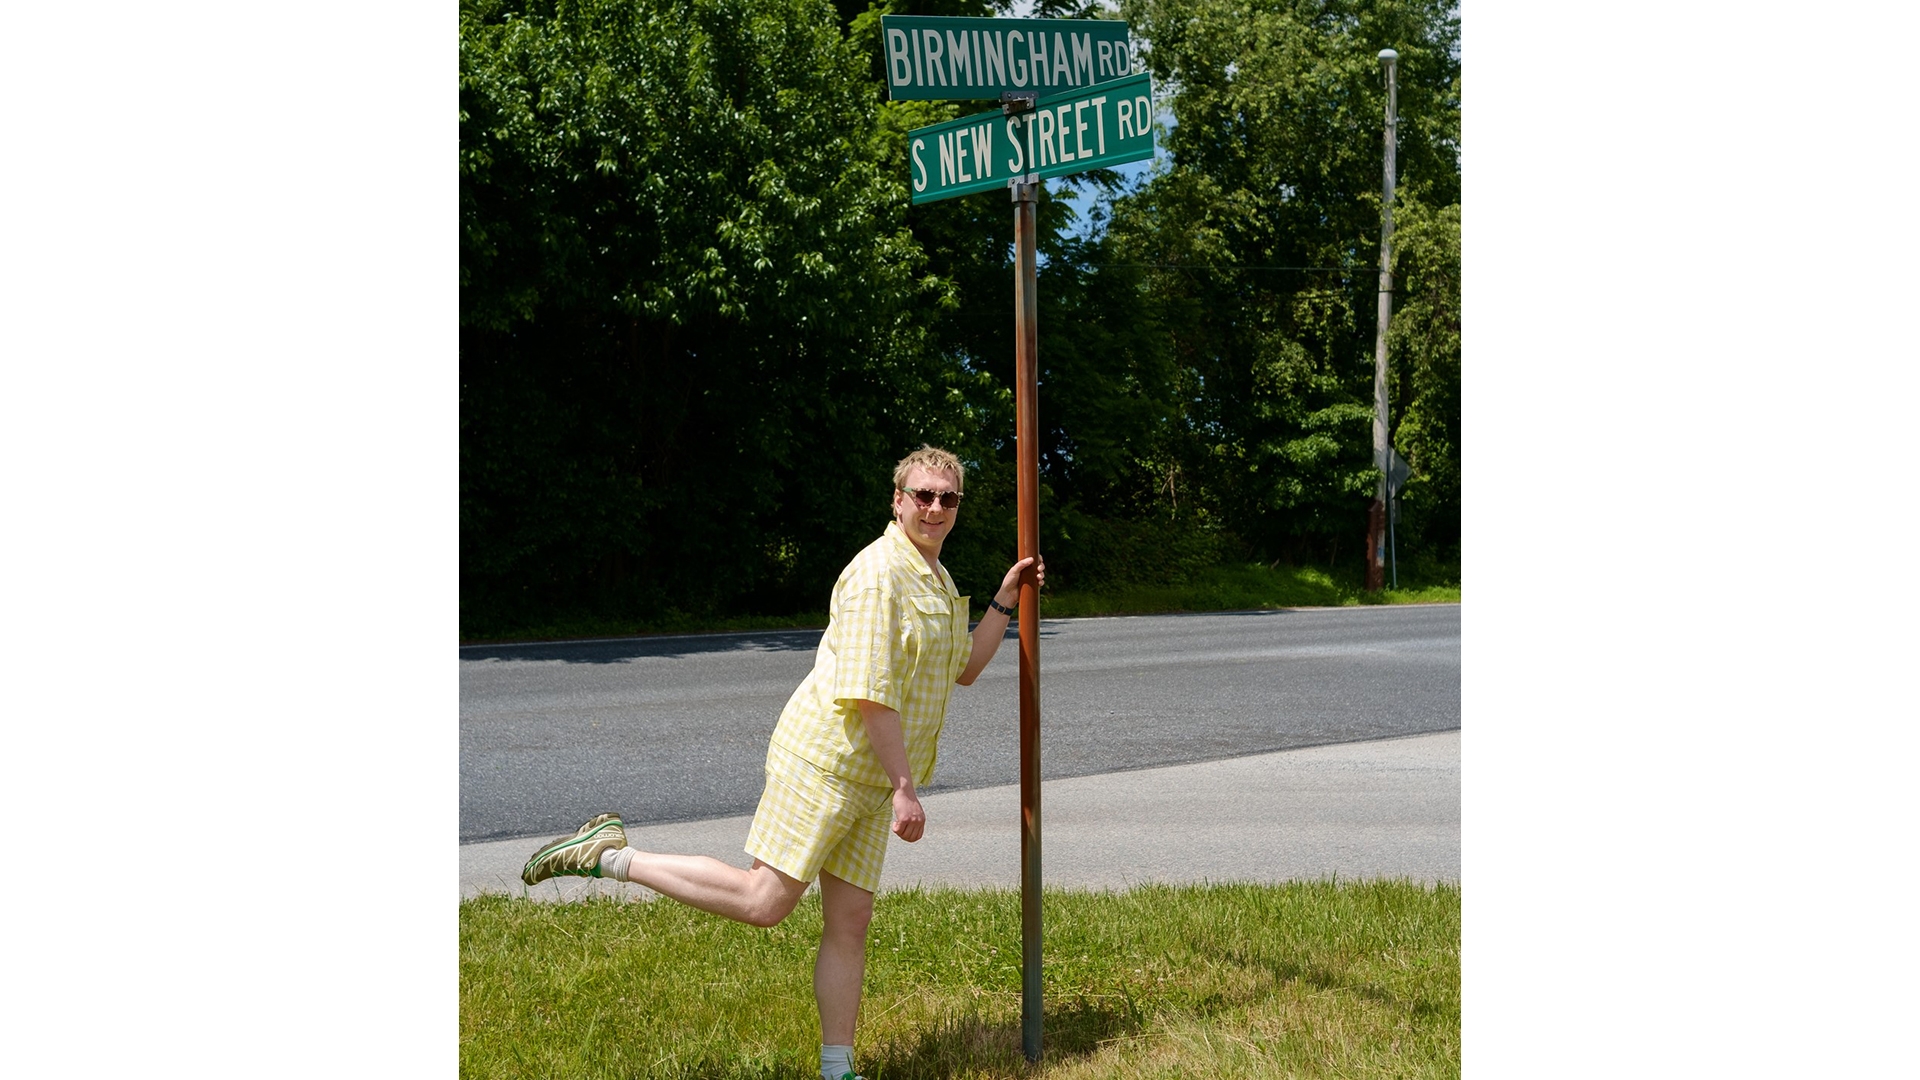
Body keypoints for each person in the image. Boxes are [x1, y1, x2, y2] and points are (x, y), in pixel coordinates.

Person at [521, 445, 1042, 1080]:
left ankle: (837, 1069)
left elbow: (963, 667)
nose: (935, 507)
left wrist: (1004, 600)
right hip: (828, 763)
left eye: (947, 497)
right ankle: (608, 855)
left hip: (870, 776)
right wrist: (906, 787)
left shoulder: (933, 577)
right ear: (897, 501)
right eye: (923, 495)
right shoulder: (878, 576)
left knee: (851, 922)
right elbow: (870, 693)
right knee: (764, 900)